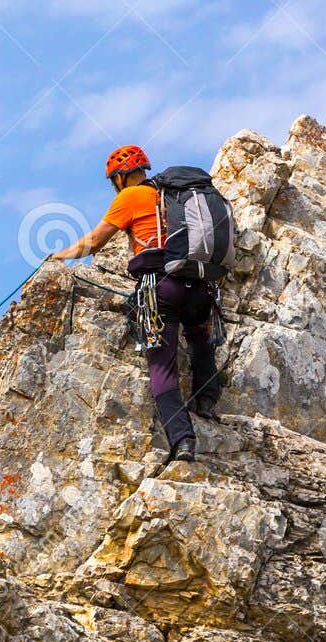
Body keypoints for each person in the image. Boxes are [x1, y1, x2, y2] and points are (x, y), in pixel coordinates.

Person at [49, 144, 219, 465]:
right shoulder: (175, 195)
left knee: (162, 367)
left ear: (120, 177)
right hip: (198, 284)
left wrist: (57, 257)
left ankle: (182, 439)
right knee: (200, 339)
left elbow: (95, 241)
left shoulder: (129, 197)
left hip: (160, 288)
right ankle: (207, 401)